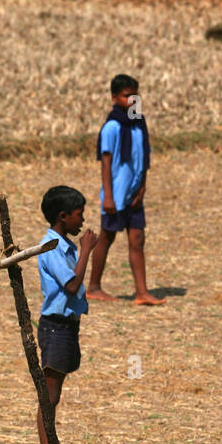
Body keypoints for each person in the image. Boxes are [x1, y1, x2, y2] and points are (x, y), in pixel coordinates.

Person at [34, 185, 98, 444]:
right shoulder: (51, 247)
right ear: (63, 217)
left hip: (66, 327)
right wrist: (87, 250)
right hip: (56, 327)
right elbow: (72, 286)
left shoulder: (64, 245)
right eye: (78, 215)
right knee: (50, 399)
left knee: (52, 397)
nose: (82, 221)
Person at [86, 73, 165, 306]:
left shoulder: (139, 124)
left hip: (135, 195)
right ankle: (93, 286)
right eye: (126, 96)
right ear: (114, 98)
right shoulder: (111, 128)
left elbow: (144, 159)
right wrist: (108, 196)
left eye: (135, 95)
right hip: (116, 195)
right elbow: (106, 163)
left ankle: (142, 292)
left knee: (137, 239)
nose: (132, 100)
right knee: (106, 238)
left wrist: (142, 189)